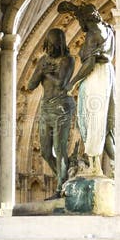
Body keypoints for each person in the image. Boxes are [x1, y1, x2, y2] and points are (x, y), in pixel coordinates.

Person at [57, 1, 115, 175]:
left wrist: (72, 83)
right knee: (105, 124)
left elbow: (89, 63)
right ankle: (115, 164)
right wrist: (74, 9)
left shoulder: (93, 34)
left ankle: (94, 166)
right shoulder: (108, 30)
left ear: (85, 20)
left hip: (95, 77)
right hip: (106, 76)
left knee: (90, 119)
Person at [27, 28, 75, 198]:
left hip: (62, 106)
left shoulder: (67, 60)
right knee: (46, 152)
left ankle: (61, 187)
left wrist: (47, 73)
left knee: (60, 148)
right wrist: (40, 71)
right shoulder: (43, 61)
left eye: (57, 44)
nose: (54, 48)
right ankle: (68, 177)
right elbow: (30, 86)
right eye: (52, 45)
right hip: (46, 107)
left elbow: (62, 83)